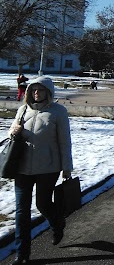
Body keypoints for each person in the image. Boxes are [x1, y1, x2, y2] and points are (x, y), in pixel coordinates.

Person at [8, 76, 73, 265]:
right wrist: (13, 132)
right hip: (21, 168)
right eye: (33, 90)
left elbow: (64, 142)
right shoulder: (22, 110)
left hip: (48, 168)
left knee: (43, 204)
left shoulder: (58, 112)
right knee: (22, 211)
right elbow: (12, 131)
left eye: (41, 90)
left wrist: (66, 167)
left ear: (49, 92)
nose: (36, 93)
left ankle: (57, 223)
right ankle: (22, 254)